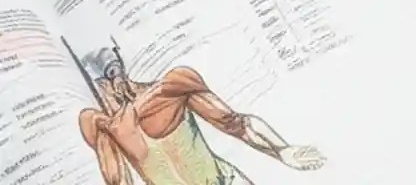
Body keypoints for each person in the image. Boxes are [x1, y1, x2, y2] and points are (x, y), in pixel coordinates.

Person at [74, 45, 325, 184]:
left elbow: (237, 123)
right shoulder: (102, 125)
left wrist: (282, 150)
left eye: (115, 74)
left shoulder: (171, 87)